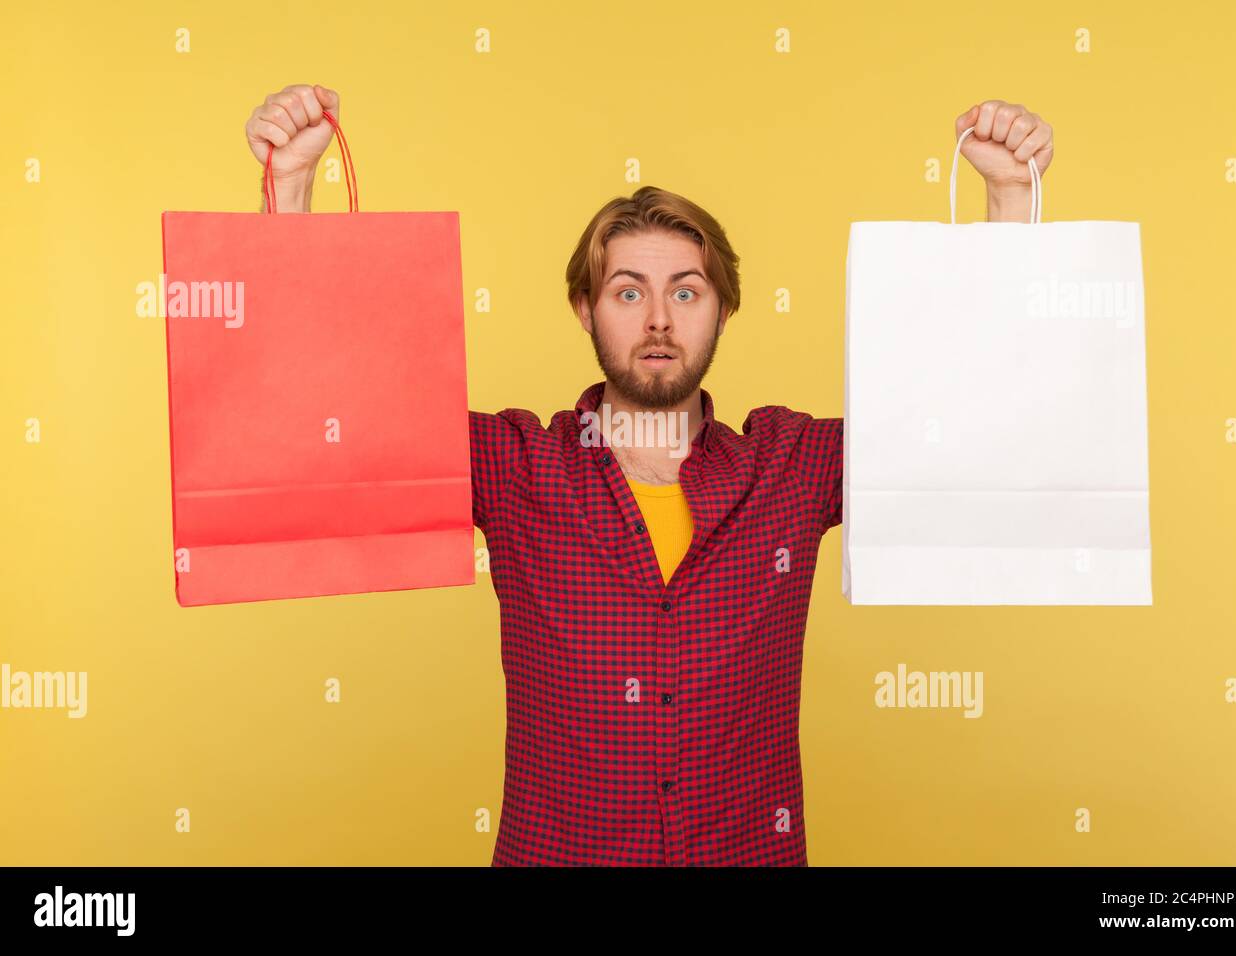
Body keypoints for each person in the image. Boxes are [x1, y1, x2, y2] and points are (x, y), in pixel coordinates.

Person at [244, 85, 1054, 865]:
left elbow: (967, 435)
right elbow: (331, 422)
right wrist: (292, 188)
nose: (659, 320)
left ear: (723, 310)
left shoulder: (793, 467)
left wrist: (1009, 207)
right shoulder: (516, 467)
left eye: (687, 292)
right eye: (628, 292)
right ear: (585, 309)